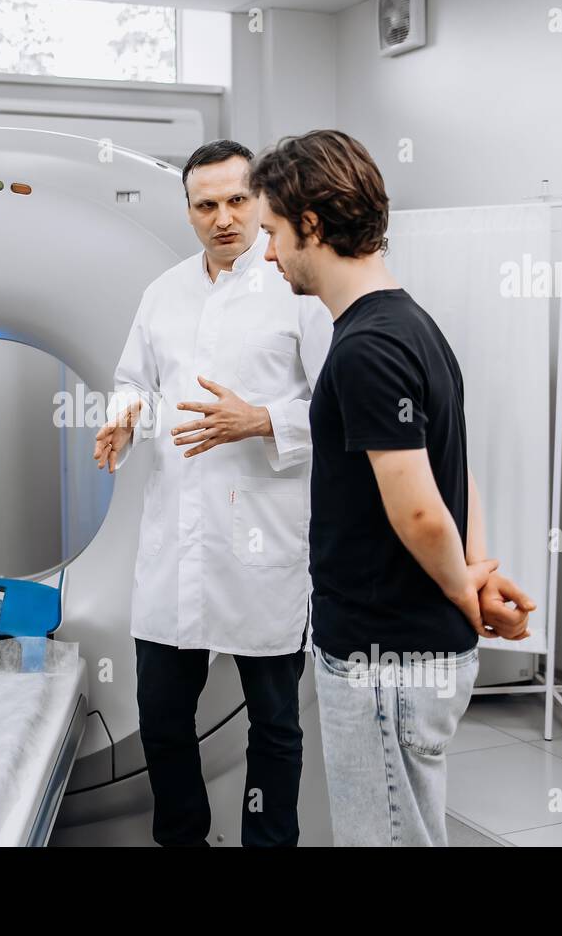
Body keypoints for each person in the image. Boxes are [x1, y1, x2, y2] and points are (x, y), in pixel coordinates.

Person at [248, 129, 536, 846]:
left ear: (310, 225)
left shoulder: (366, 348)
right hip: (410, 656)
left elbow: (417, 509)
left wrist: (466, 591)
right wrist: (475, 573)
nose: (268, 252)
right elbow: (455, 476)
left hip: (387, 661)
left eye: (274, 232)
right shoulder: (413, 325)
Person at [93, 140, 332, 846]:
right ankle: (184, 839)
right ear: (189, 212)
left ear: (261, 200)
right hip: (176, 543)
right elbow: (133, 379)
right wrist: (122, 419)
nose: (224, 217)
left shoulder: (298, 289)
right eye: (207, 205)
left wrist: (260, 418)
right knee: (163, 721)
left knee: (275, 725)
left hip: (263, 541)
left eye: (237, 200)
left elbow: (339, 405)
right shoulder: (163, 292)